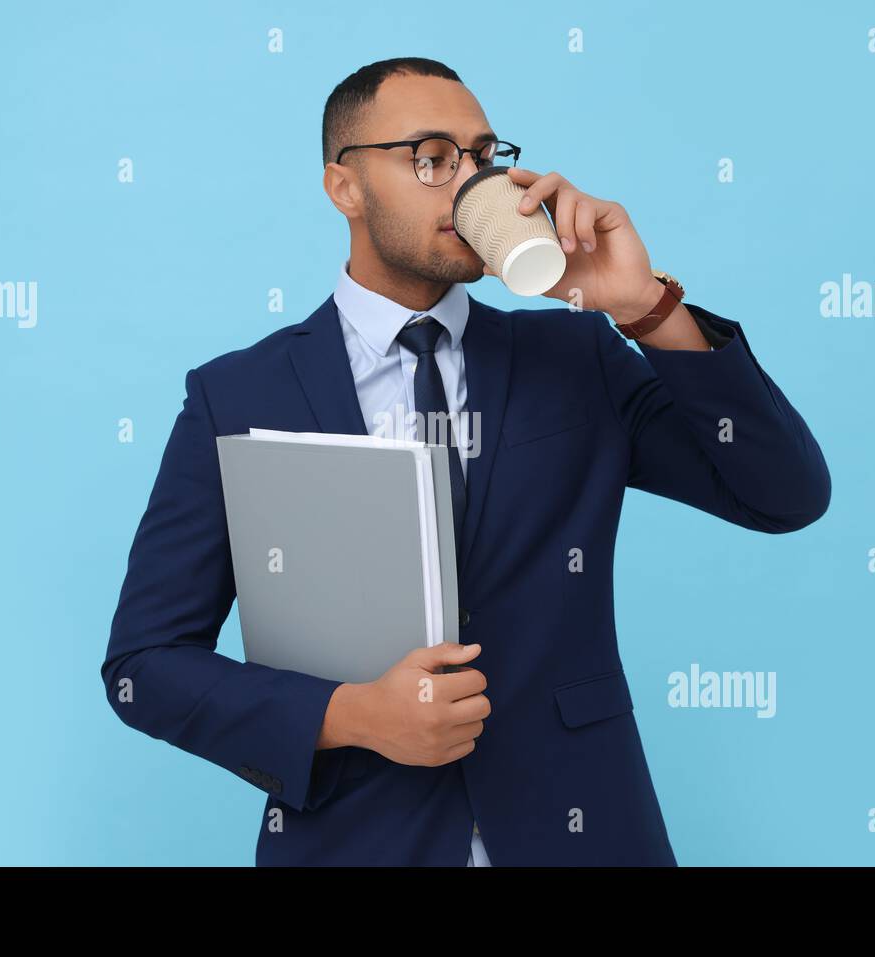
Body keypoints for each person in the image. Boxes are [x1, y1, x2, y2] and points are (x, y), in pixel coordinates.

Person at [101, 57, 831, 866]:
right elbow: (146, 665)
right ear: (344, 187)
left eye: (483, 157)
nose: (470, 183)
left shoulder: (577, 356)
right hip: (358, 841)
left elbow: (784, 493)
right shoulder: (236, 395)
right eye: (432, 157)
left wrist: (644, 306)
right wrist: (349, 714)